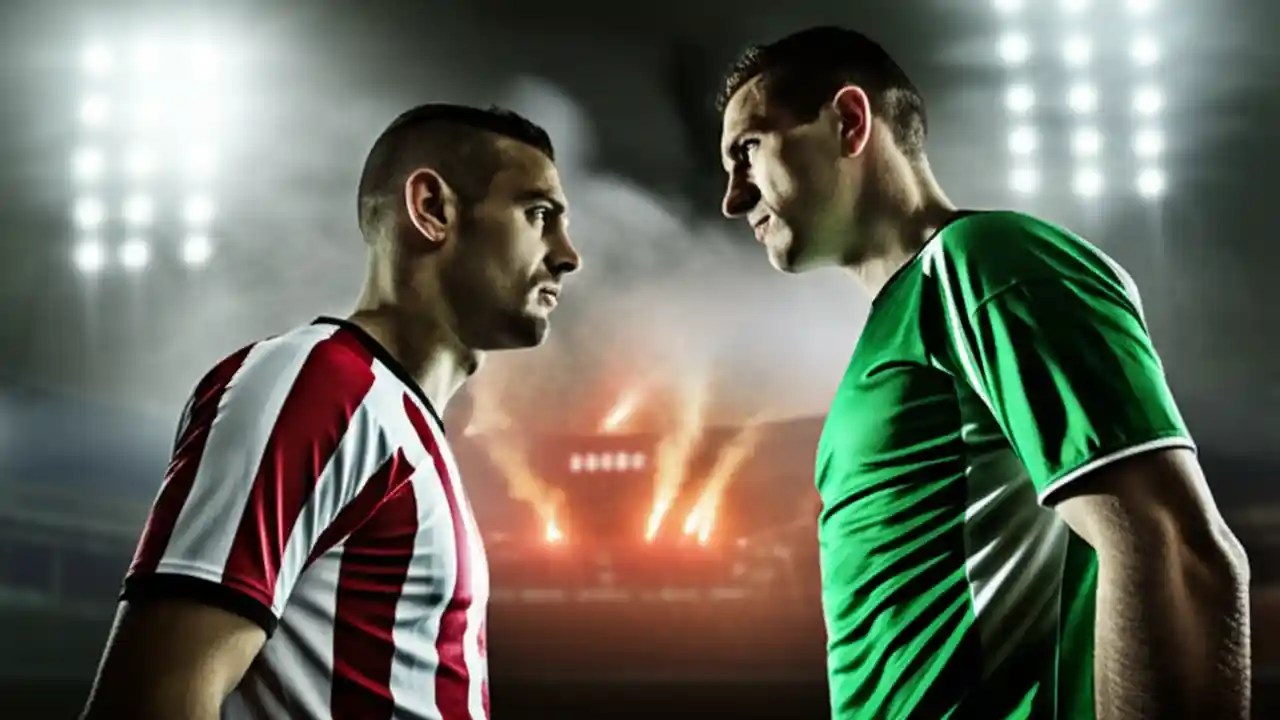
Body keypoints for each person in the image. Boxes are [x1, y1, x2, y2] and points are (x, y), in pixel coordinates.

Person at [716, 26, 1250, 719]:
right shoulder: (902, 320)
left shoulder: (986, 262)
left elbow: (1175, 554)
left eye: (748, 151)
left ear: (849, 121)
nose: (732, 197)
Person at [81, 103, 581, 720]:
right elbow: (152, 698)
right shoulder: (315, 386)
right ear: (432, 208)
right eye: (538, 216)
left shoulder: (404, 421)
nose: (567, 254)